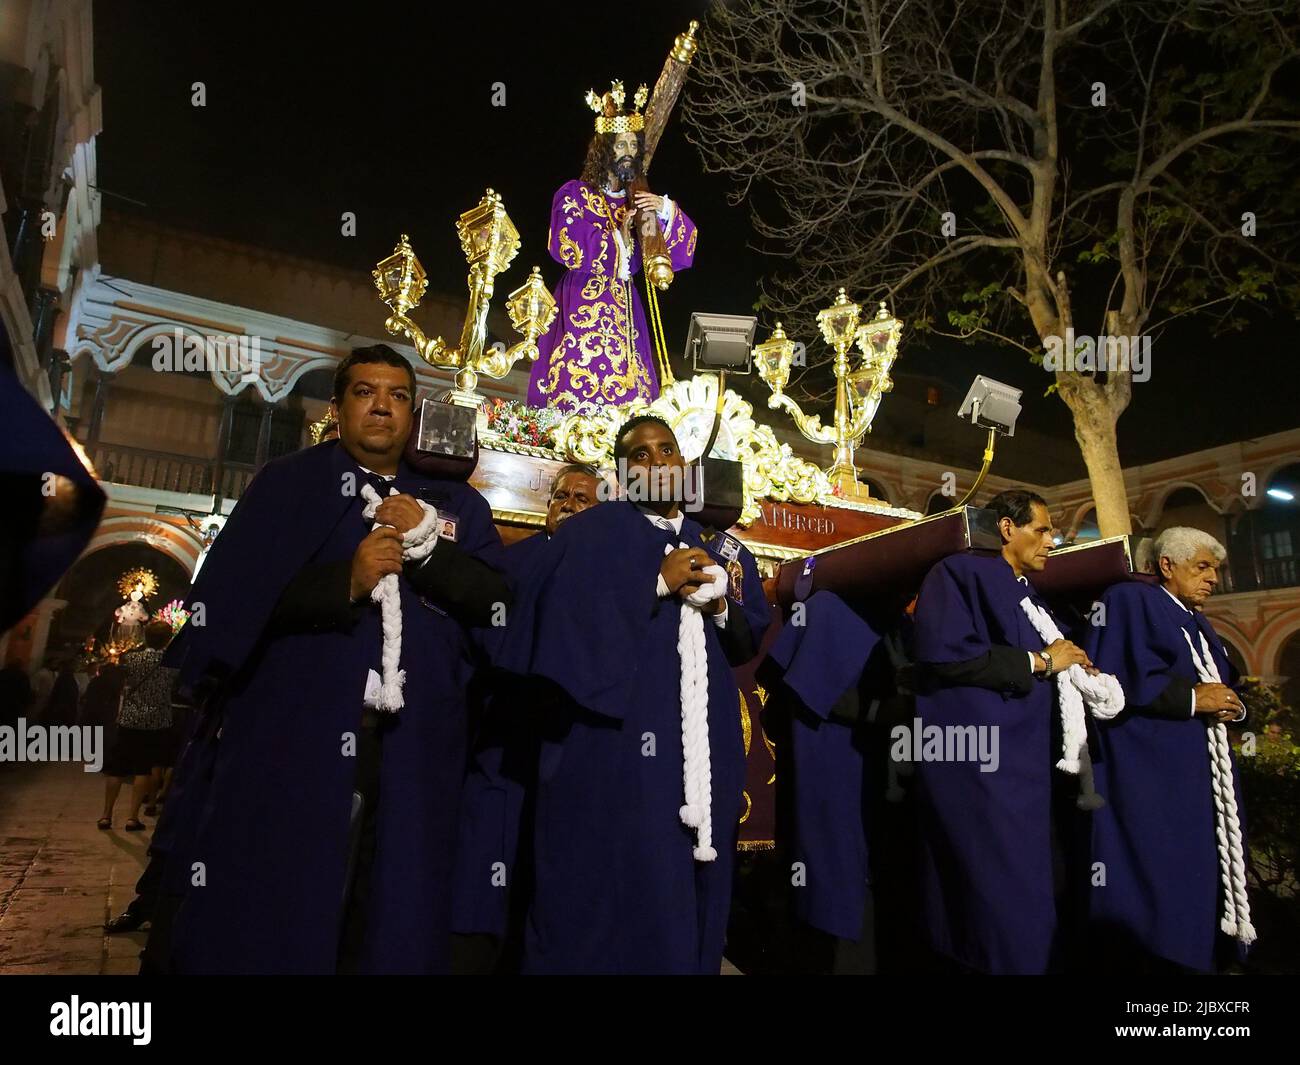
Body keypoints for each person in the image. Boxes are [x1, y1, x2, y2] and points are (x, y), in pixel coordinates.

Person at [158, 343, 510, 974]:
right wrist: (341, 584)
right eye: (365, 392)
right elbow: (226, 607)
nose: (383, 407)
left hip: (415, 754)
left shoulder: (457, 505)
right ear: (338, 407)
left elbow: (498, 611)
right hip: (296, 739)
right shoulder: (288, 485)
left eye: (399, 396)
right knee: (283, 903)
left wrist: (431, 552)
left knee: (389, 911)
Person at [495, 415, 758, 973]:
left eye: (668, 450)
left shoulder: (714, 544)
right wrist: (657, 584)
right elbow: (561, 638)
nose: (659, 461)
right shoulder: (591, 534)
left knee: (680, 905)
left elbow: (744, 641)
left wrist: (719, 606)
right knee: (607, 900)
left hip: (697, 759)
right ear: (622, 474)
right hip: (613, 755)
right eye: (641, 454)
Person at [909, 489, 1096, 974]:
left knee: (1029, 887)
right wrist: (1039, 661)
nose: (1052, 541)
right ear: (1007, 529)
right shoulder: (959, 572)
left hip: (1027, 765)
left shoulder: (1028, 593)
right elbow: (944, 653)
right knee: (996, 893)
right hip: (981, 765)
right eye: (1042, 529)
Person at [451, 462, 602, 972]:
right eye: (561, 496)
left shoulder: (615, 573)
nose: (568, 504)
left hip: (576, 748)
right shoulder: (511, 564)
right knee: (487, 871)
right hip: (505, 735)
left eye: (583, 499)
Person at [1083, 527, 1252, 972]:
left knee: (1200, 875)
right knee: (1159, 876)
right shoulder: (1131, 600)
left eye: (1215, 569)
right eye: (1202, 567)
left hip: (1198, 774)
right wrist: (1196, 699)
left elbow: (1223, 684)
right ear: (1167, 566)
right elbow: (1119, 680)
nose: (1212, 578)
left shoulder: (1197, 620)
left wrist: (1232, 706)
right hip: (1151, 775)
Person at [526, 80, 697, 414]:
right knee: (570, 381)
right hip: (579, 299)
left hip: (625, 308)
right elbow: (567, 243)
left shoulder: (643, 203)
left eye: (634, 145)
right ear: (604, 149)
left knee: (630, 395)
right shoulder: (575, 194)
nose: (629, 152)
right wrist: (618, 235)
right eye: (621, 145)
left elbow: (678, 252)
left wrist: (664, 210)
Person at [99, 622, 176, 831]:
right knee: (144, 769)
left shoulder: (132, 659)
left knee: (117, 769)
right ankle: (132, 817)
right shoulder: (171, 664)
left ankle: (106, 815)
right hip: (155, 722)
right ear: (168, 639)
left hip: (129, 719)